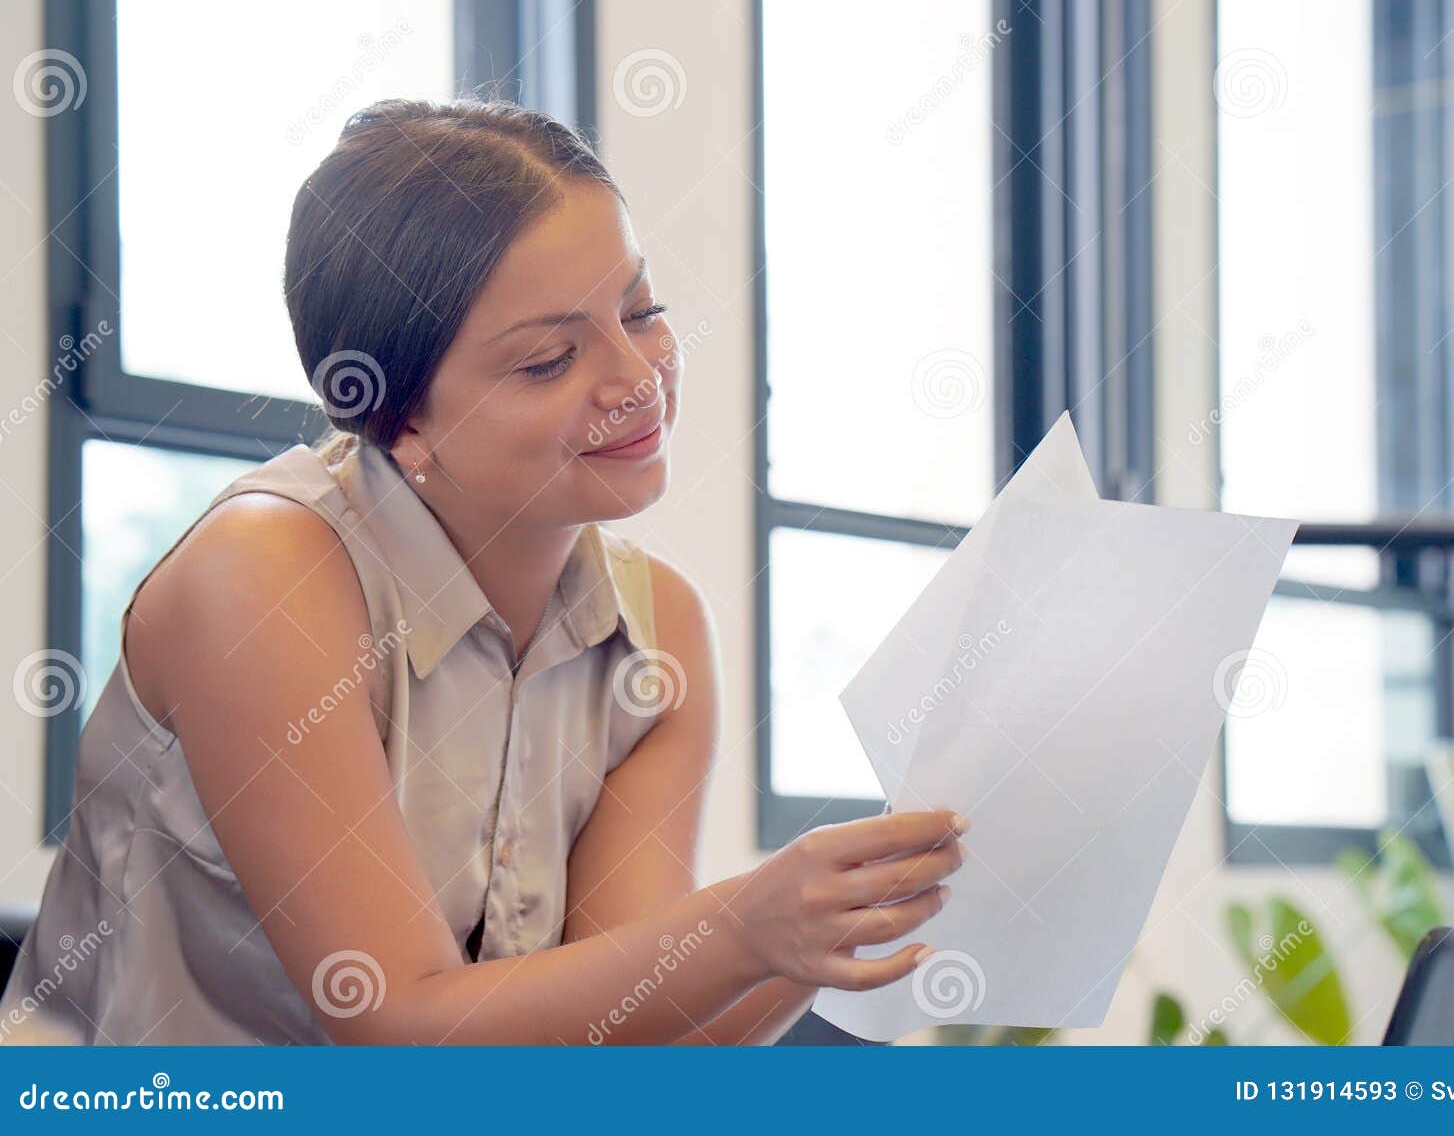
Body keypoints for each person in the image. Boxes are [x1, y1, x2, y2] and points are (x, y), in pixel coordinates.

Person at [0, 98, 966, 1045]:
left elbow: (622, 1055)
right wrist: (744, 926)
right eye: (549, 359)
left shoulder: (660, 632)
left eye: (643, 309)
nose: (637, 377)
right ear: (400, 419)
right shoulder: (265, 575)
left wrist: (844, 926)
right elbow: (396, 1028)